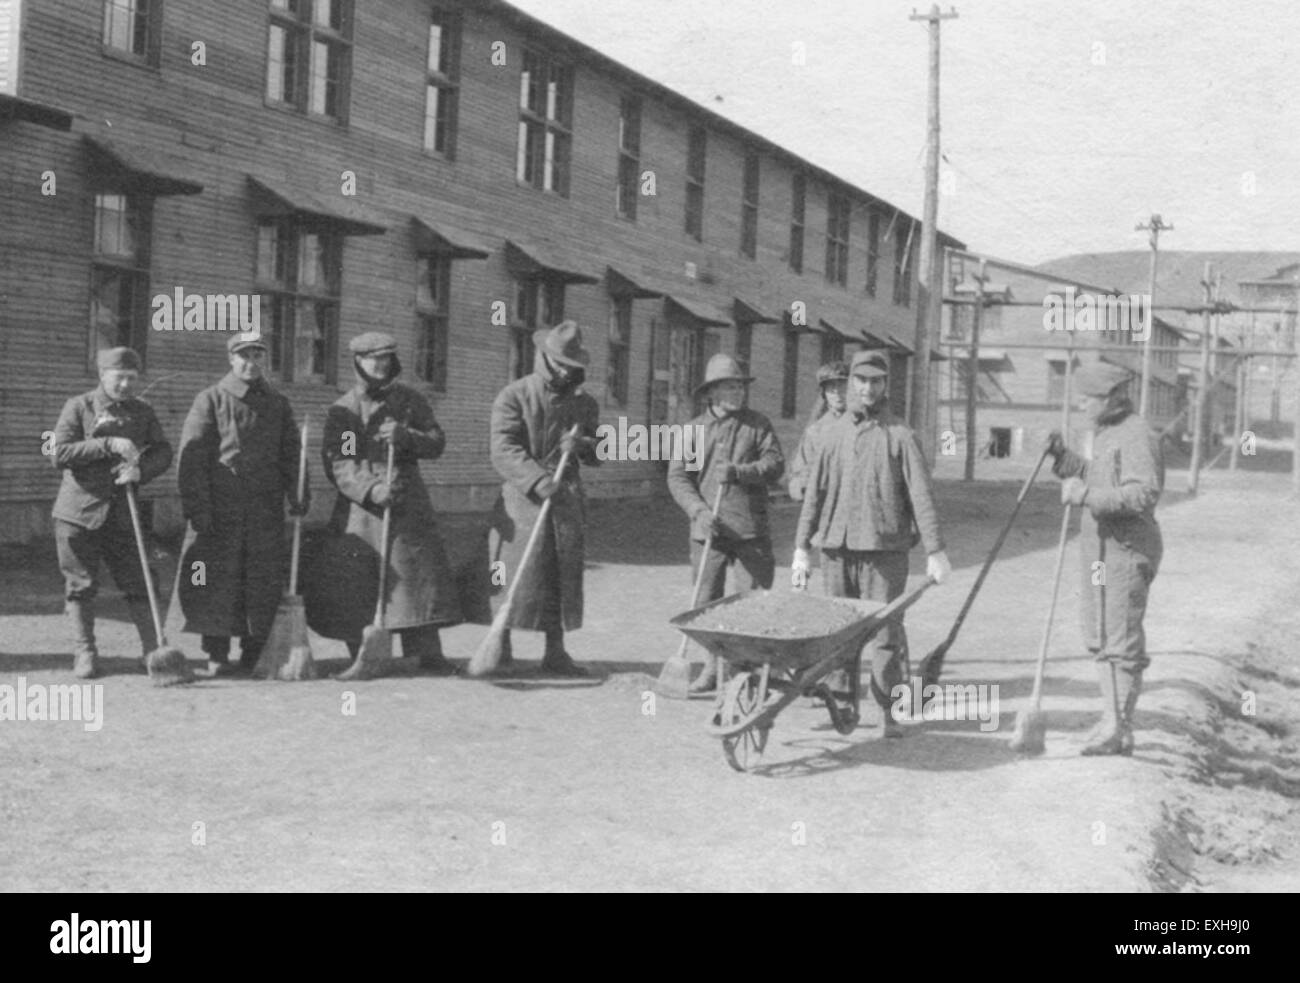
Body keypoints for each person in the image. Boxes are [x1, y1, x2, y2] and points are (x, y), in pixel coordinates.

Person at [792, 349, 951, 736]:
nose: (867, 388)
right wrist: (800, 550)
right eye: (861, 380)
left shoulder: (900, 435)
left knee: (885, 633)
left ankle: (889, 711)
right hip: (835, 549)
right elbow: (813, 495)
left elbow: (921, 496)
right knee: (839, 631)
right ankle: (844, 704)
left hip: (884, 551)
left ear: (884, 386)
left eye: (876, 381)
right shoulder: (829, 435)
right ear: (850, 383)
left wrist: (935, 550)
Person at [316, 331, 461, 675]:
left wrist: (406, 437)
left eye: (386, 359)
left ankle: (428, 652)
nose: (380, 366)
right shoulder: (345, 410)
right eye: (372, 359)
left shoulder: (410, 401)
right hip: (362, 508)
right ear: (358, 362)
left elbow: (436, 442)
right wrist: (371, 489)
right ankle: (361, 653)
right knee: (358, 578)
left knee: (417, 576)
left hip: (407, 499)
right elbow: (342, 463)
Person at [1048, 361, 1164, 756]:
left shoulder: (1137, 434)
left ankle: (1120, 726)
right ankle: (1111, 719)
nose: (1079, 404)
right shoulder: (1103, 431)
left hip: (1126, 552)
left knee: (1122, 640)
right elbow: (1099, 475)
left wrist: (1086, 496)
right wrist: (1064, 460)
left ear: (1111, 398)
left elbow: (1142, 494)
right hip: (1097, 551)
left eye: (1086, 398)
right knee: (1098, 634)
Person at [177, 333, 308, 676]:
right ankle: (216, 652)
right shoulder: (211, 399)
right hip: (220, 510)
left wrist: (299, 493)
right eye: (244, 356)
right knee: (215, 581)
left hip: (264, 510)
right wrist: (198, 509)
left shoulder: (277, 403)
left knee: (261, 582)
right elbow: (191, 460)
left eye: (258, 356)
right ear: (231, 359)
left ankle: (254, 649)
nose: (251, 363)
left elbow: (293, 454)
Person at [481, 320, 600, 677]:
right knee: (512, 573)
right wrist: (536, 479)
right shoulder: (514, 395)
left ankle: (556, 650)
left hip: (566, 500)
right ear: (544, 358)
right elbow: (503, 448)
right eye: (559, 362)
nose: (565, 370)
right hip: (521, 502)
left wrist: (583, 445)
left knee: (560, 575)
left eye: (571, 365)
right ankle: (500, 646)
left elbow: (601, 451)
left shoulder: (585, 404)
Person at [51, 347, 173, 678]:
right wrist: (108, 445)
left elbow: (163, 451)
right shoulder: (79, 406)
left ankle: (153, 650)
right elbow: (59, 453)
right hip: (78, 513)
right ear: (102, 375)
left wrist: (141, 471)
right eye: (119, 377)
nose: (125, 385)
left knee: (140, 581)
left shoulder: (142, 411)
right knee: (80, 585)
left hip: (124, 514)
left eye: (132, 378)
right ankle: (85, 653)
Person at [668, 353, 784, 694]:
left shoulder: (758, 425)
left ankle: (746, 673)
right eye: (729, 387)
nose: (738, 393)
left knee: (752, 603)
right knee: (706, 604)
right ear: (712, 394)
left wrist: (741, 473)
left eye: (740, 386)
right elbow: (678, 478)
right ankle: (712, 669)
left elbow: (776, 464)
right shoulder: (692, 431)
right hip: (709, 531)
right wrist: (699, 511)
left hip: (751, 529)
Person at [788, 360, 849, 502]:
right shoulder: (815, 432)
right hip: (825, 501)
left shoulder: (866, 426)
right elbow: (801, 469)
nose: (837, 393)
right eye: (831, 388)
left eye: (842, 387)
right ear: (824, 393)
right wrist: (801, 484)